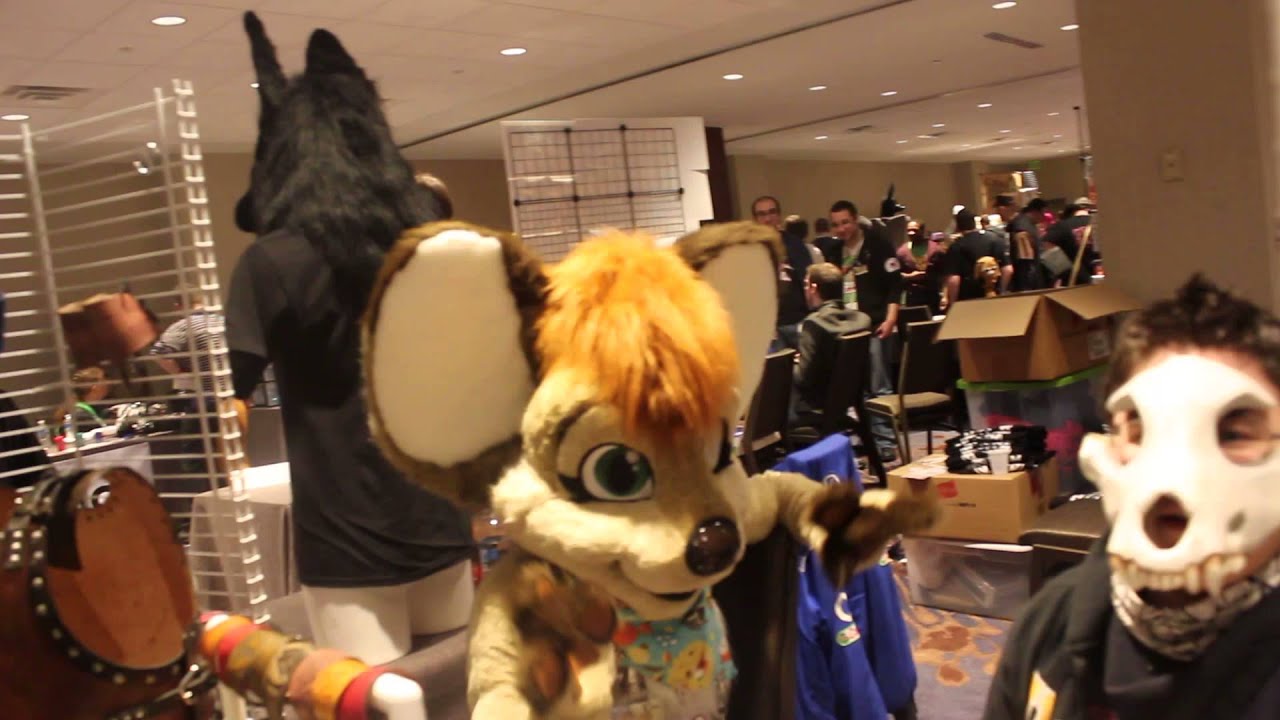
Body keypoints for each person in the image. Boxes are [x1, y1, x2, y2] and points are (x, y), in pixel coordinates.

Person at [226, 13, 473, 665]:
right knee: (460, 691)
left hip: (346, 541)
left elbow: (226, 402)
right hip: (441, 516)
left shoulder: (270, 263)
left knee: (374, 699)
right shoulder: (430, 248)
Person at [984, 276, 1280, 719]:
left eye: (1234, 434)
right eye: (1141, 432)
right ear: (1106, 449)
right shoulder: (1048, 625)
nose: (1176, 482)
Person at [824, 199, 902, 461]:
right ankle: (867, 439)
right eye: (836, 225)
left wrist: (891, 319)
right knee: (855, 388)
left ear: (856, 220)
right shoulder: (833, 252)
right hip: (847, 329)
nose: (841, 229)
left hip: (876, 325)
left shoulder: (878, 246)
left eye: (845, 222)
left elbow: (895, 285)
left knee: (879, 387)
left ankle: (886, 441)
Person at [792, 263, 872, 419]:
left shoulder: (814, 323)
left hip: (812, 409)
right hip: (847, 402)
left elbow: (802, 379)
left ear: (813, 288)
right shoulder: (862, 319)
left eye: (806, 285)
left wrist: (794, 363)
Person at [753, 195, 813, 350]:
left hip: (798, 320)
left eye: (771, 212)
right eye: (762, 214)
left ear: (779, 215)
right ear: (755, 219)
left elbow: (809, 279)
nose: (768, 219)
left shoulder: (794, 244)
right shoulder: (749, 251)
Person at [944, 210, 1012, 305]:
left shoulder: (956, 247)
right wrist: (1002, 291)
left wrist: (953, 304)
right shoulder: (995, 239)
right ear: (974, 223)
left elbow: (954, 280)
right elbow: (1008, 269)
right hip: (995, 297)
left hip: (970, 300)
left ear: (958, 226)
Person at [1042, 196, 1099, 286]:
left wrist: (1063, 272)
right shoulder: (1102, 223)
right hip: (1106, 277)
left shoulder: (1061, 226)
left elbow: (1045, 246)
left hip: (1075, 281)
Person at [995, 194, 1046, 292]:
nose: (997, 213)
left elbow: (1026, 264)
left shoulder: (1020, 228)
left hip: (1027, 287)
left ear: (1002, 208)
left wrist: (1025, 290)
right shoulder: (1024, 225)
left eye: (998, 209)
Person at [897, 220, 947, 314]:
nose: (911, 233)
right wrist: (910, 276)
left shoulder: (936, 250)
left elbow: (946, 274)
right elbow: (895, 275)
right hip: (913, 296)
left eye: (915, 230)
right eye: (908, 230)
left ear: (922, 231)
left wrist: (945, 295)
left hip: (933, 295)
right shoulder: (902, 252)